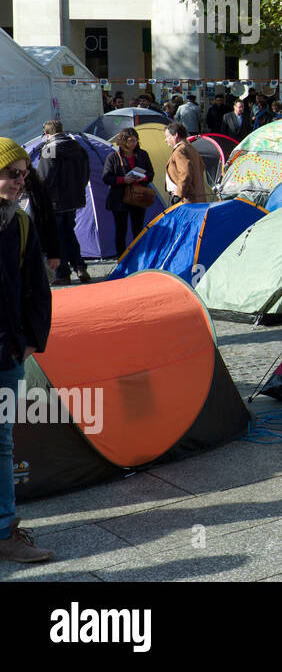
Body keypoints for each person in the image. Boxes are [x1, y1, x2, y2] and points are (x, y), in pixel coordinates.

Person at [0, 138, 54, 562]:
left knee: (2, 441)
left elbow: (37, 288)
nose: (21, 181)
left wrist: (32, 339)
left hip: (7, 353)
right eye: (12, 173)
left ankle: (4, 531)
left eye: (24, 173)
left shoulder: (20, 224)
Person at [34, 121, 90, 286]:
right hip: (75, 199)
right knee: (69, 233)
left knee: (57, 237)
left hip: (55, 201)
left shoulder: (50, 148)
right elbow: (86, 173)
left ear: (46, 133)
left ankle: (63, 273)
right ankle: (80, 266)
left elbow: (45, 176)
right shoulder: (78, 147)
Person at [103, 128, 155, 258]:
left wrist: (143, 178)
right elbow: (107, 178)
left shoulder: (143, 154)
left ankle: (139, 255)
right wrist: (123, 180)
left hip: (139, 197)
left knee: (138, 230)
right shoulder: (113, 157)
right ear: (123, 141)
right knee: (121, 230)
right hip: (120, 198)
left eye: (135, 140)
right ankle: (121, 257)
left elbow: (151, 174)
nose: (133, 143)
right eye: (130, 141)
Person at [164, 122, 207, 205]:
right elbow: (202, 167)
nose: (165, 140)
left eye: (167, 136)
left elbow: (185, 172)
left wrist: (179, 193)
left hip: (187, 199)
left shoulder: (179, 150)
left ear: (175, 135)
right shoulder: (191, 148)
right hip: (197, 197)